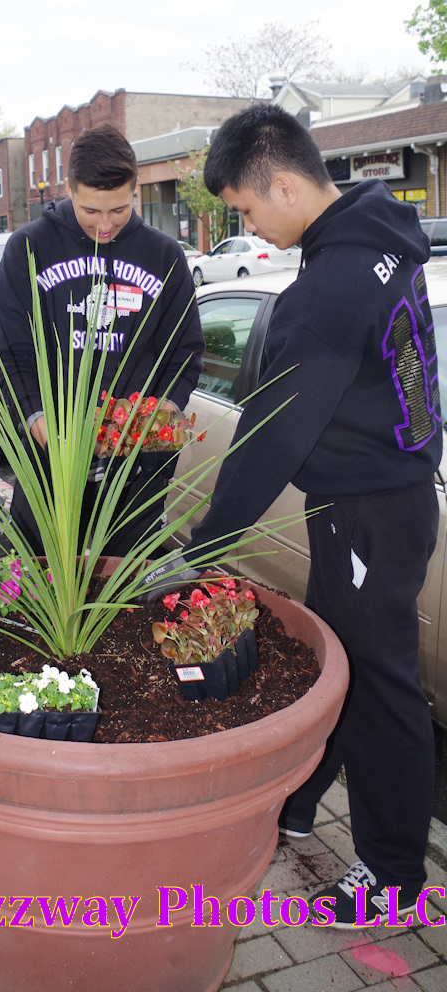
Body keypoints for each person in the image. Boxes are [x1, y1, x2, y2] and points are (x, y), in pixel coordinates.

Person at [173, 103, 442, 928]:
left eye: (248, 210)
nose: (247, 228)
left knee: (379, 690)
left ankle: (393, 880)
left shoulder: (327, 289)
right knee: (336, 664)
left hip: (367, 513)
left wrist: (205, 543)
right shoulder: (381, 238)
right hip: (387, 499)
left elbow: (271, 438)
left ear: (285, 184)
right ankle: (297, 804)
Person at [0, 122, 204, 558]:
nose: (104, 225)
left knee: (126, 586)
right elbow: (11, 351)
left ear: (135, 188)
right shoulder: (28, 248)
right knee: (42, 575)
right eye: (90, 211)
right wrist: (37, 419)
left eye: (119, 210)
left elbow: (184, 350)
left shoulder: (165, 256)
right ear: (69, 188)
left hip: (137, 463)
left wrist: (160, 410)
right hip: (52, 457)